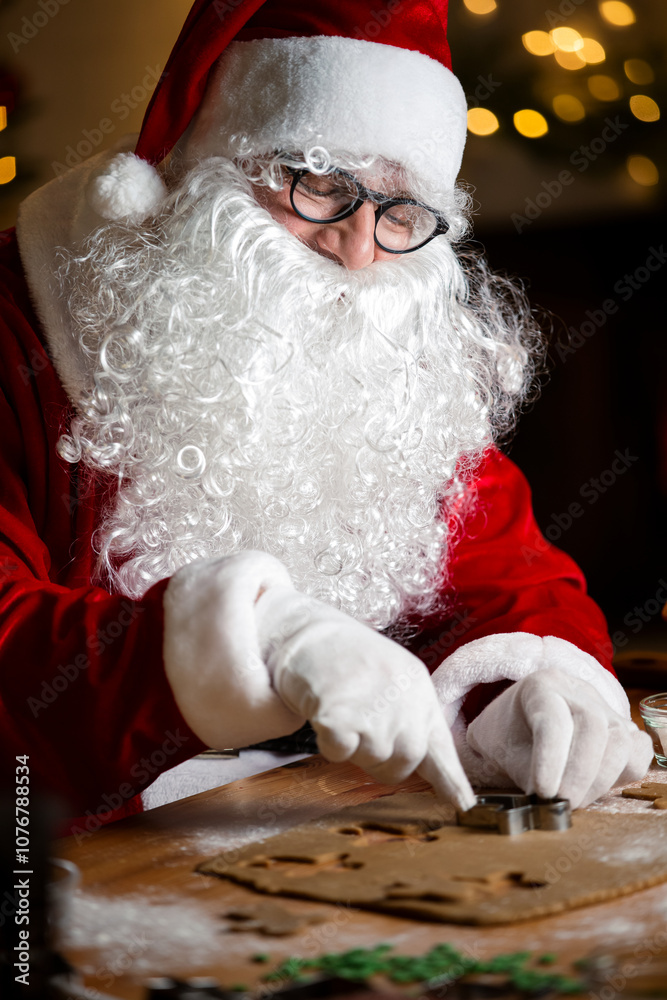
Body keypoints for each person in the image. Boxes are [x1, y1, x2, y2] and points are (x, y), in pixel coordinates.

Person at [0, 0, 651, 836]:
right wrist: (245, 645)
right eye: (318, 183)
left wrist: (523, 687)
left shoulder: (384, 344)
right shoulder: (27, 327)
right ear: (211, 163)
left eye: (401, 210)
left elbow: (505, 577)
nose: (358, 250)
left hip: (293, 832)